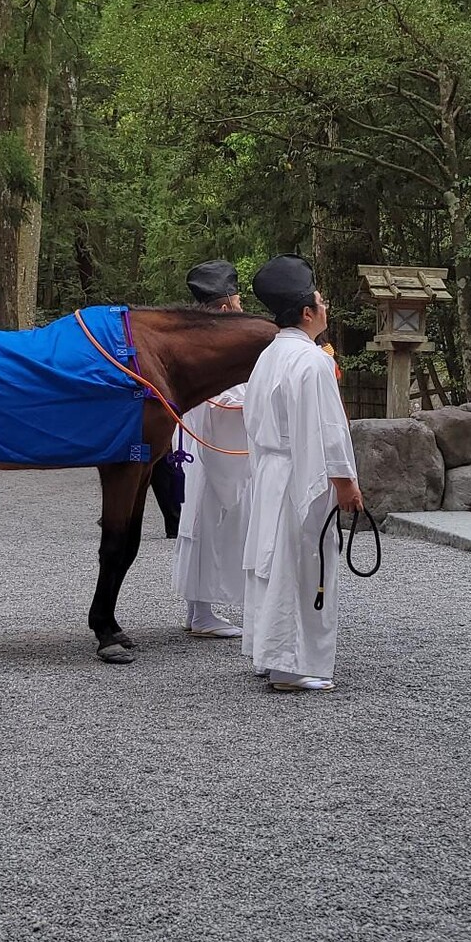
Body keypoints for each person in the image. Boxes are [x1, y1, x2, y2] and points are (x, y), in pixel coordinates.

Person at [242, 256, 363, 692]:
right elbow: (328, 429)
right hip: (300, 472)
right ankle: (293, 664)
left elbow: (253, 422)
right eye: (320, 300)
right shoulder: (310, 361)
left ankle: (270, 652)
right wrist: (346, 482)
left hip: (274, 470)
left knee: (275, 561)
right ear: (307, 313)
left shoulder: (270, 356)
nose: (326, 306)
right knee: (304, 561)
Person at [173, 259, 252, 638]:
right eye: (237, 303)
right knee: (208, 517)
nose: (241, 309)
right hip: (211, 439)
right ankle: (201, 611)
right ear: (224, 308)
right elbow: (223, 397)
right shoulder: (208, 344)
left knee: (205, 519)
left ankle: (198, 608)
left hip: (212, 439)